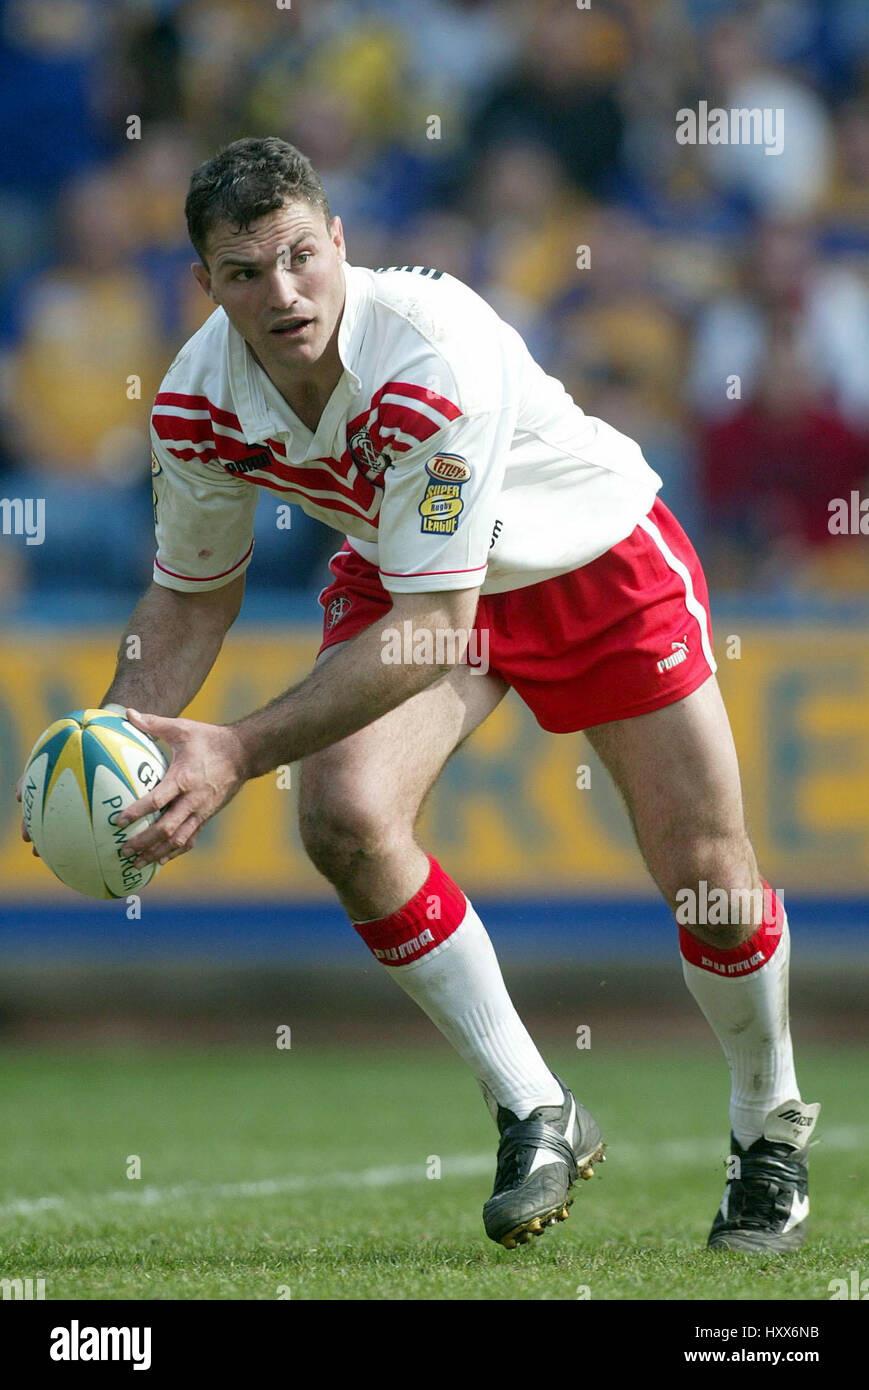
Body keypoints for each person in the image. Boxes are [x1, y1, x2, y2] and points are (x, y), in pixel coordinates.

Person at [20, 137, 819, 1251]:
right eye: (245, 273)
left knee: (707, 878)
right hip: (413, 569)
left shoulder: (425, 352)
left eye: (301, 256)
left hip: (584, 559)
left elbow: (431, 632)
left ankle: (766, 1120)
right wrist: (114, 745)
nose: (283, 292)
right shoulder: (197, 396)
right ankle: (533, 1105)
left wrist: (234, 750)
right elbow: (190, 599)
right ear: (206, 286)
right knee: (345, 817)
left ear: (340, 241)